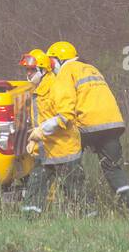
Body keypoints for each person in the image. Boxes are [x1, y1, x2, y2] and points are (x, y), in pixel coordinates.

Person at [42, 41, 129, 217]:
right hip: (113, 124)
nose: (51, 68)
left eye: (50, 62)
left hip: (87, 125)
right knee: (113, 169)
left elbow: (66, 105)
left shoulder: (67, 71)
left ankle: (86, 210)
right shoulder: (91, 68)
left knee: (67, 164)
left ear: (59, 59)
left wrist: (53, 124)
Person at [18, 48, 83, 216]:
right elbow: (40, 119)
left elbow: (65, 117)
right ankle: (30, 221)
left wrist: (41, 131)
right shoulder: (36, 90)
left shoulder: (57, 86)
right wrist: (35, 141)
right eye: (27, 70)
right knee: (35, 187)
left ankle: (89, 221)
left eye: (32, 70)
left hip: (65, 151)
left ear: (43, 70)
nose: (29, 74)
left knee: (75, 193)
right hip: (47, 152)